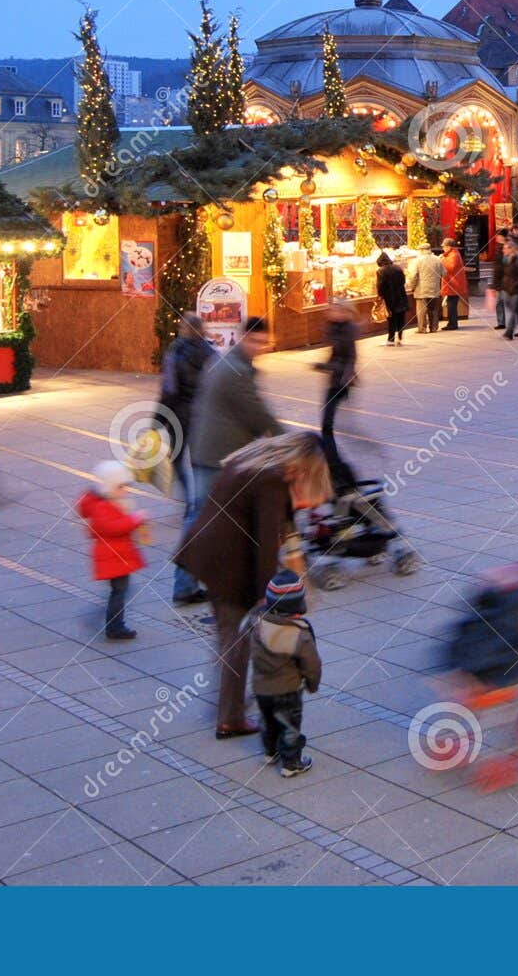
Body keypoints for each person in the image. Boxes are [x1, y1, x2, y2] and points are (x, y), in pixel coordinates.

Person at [173, 432, 331, 738]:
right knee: (236, 640)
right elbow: (265, 546)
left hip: (209, 554)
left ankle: (227, 705)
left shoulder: (254, 460)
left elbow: (279, 525)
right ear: (301, 465)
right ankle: (230, 719)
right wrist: (267, 600)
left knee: (230, 637)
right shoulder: (271, 480)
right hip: (226, 564)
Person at [188, 317, 283, 559]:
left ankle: (192, 582)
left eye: (262, 342)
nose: (257, 347)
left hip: (207, 450)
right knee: (206, 517)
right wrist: (288, 439)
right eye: (253, 340)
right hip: (219, 455)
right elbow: (258, 414)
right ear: (241, 337)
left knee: (202, 515)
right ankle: (193, 581)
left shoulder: (222, 360)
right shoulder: (236, 371)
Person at [160, 313, 217, 603]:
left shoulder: (174, 353)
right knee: (196, 465)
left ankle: (189, 497)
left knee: (176, 460)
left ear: (184, 329)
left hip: (179, 419)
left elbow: (168, 390)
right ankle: (193, 498)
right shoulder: (210, 353)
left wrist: (158, 420)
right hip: (203, 423)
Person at [247, 568, 323, 777]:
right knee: (289, 725)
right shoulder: (299, 634)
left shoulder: (256, 623)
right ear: (298, 605)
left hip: (261, 687)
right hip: (287, 689)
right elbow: (312, 664)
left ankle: (271, 752)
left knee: (267, 720)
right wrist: (312, 684)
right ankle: (291, 763)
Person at [78, 460, 150, 640]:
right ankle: (115, 626)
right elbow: (113, 528)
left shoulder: (105, 501)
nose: (125, 491)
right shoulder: (102, 506)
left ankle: (110, 621)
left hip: (116, 557)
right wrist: (135, 519)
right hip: (114, 558)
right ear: (109, 487)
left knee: (119, 590)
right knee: (119, 591)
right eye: (121, 487)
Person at [316, 300, 359, 488]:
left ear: (344, 312)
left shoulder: (346, 331)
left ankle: (334, 465)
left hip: (340, 382)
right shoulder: (337, 328)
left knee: (327, 425)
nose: (330, 311)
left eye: (334, 309)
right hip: (337, 380)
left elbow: (347, 358)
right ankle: (333, 463)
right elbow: (335, 354)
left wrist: (325, 366)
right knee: (327, 425)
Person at [405, 244, 443, 333]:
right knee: (433, 309)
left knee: (421, 310)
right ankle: (434, 328)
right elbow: (444, 273)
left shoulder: (417, 261)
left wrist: (412, 286)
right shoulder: (437, 259)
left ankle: (422, 328)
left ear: (421, 250)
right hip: (435, 289)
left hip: (421, 289)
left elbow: (413, 276)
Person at [374, 252, 410, 346]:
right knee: (401, 318)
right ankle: (400, 338)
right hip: (401, 296)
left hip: (389, 298)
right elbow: (403, 281)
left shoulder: (381, 271)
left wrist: (380, 296)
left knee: (391, 319)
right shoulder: (398, 268)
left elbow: (380, 286)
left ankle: (391, 339)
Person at [439, 237, 468, 329]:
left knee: (452, 305)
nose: (443, 248)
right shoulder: (451, 254)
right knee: (451, 304)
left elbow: (450, 267)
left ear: (449, 247)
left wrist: (441, 260)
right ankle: (451, 323)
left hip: (454, 284)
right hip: (452, 283)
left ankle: (453, 324)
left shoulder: (454, 255)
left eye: (444, 246)